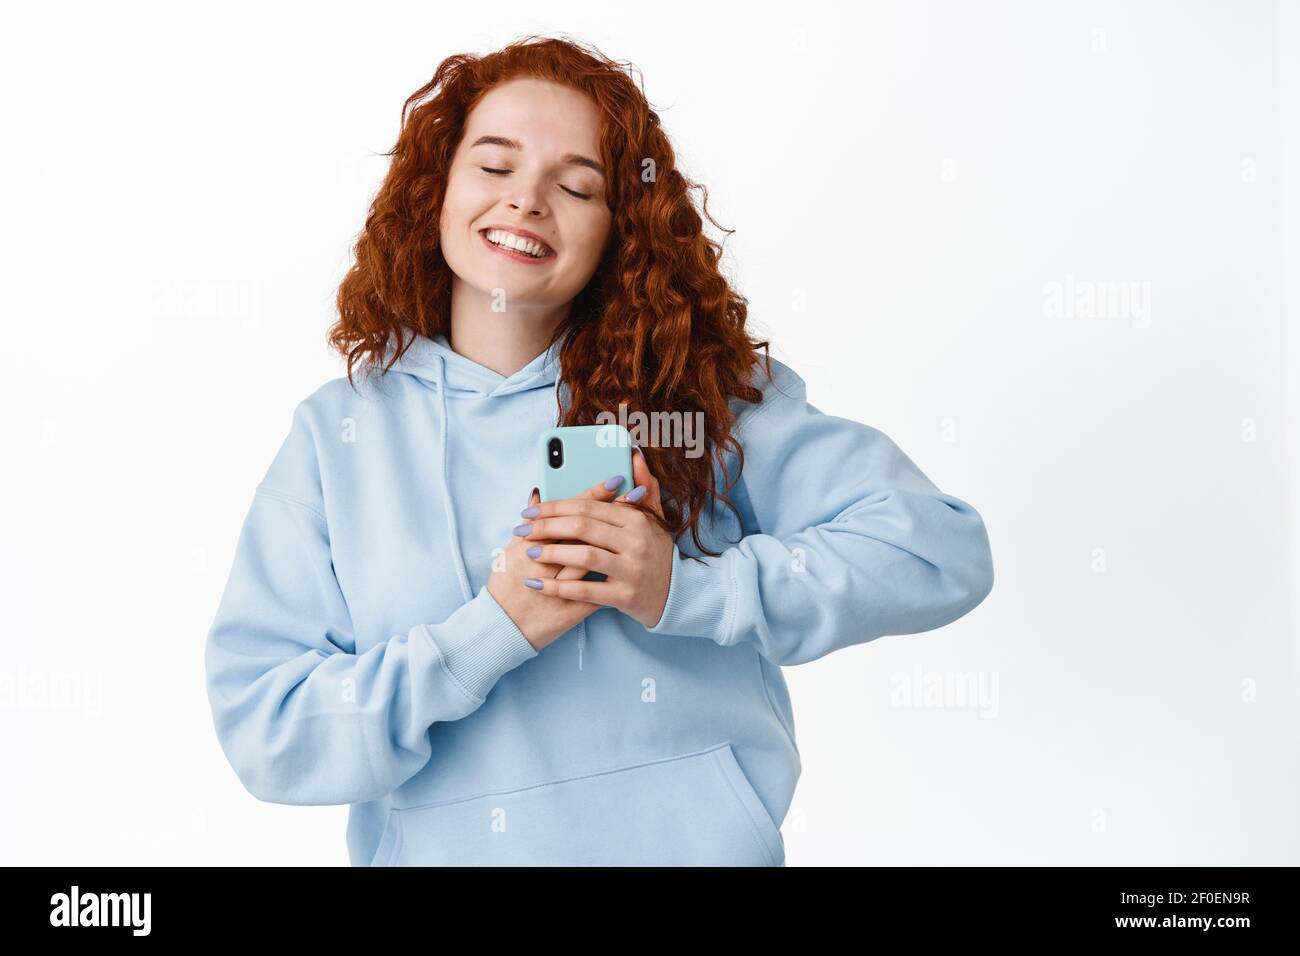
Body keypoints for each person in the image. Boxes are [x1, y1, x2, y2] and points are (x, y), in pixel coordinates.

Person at [203, 35, 995, 866]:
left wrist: (690, 590)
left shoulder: (701, 396)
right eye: (495, 166)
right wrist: (495, 629)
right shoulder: (338, 439)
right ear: (435, 188)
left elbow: (937, 546)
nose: (527, 203)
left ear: (622, 228)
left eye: (576, 185)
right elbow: (269, 728)